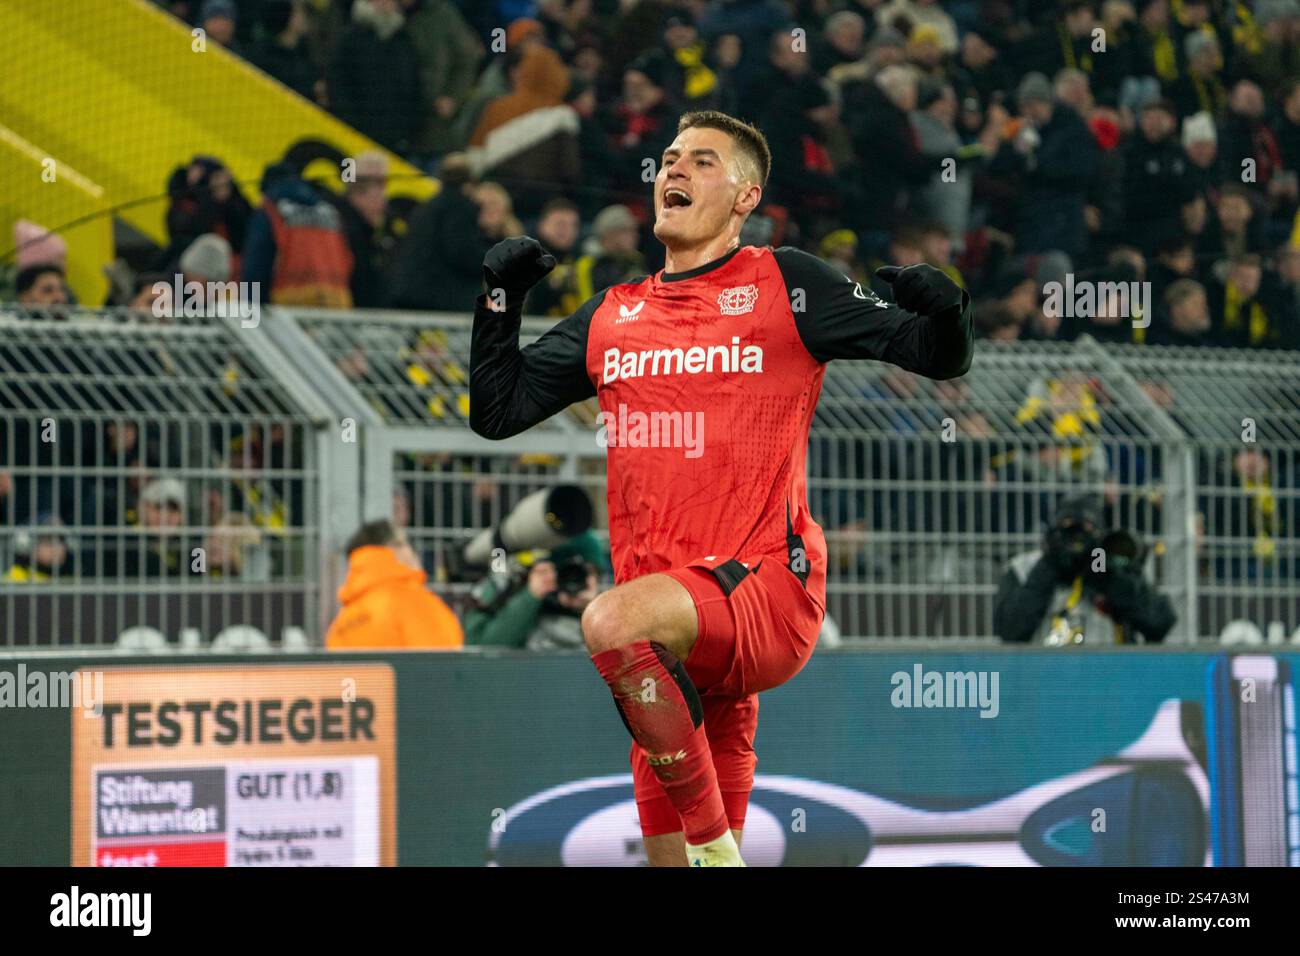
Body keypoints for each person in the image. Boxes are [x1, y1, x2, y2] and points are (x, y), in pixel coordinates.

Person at [468, 110, 973, 866]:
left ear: (745, 196)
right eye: (669, 158)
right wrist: (499, 300)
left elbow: (936, 356)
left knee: (608, 625)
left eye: (702, 161)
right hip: (665, 641)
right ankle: (711, 849)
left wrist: (947, 308)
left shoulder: (785, 282)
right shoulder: (614, 314)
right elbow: (496, 410)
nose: (674, 170)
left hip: (765, 589)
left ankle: (714, 849)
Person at [993, 494, 1176, 645]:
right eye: (1068, 527)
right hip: (1042, 677)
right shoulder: (1025, 567)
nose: (1077, 540)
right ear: (1053, 531)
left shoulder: (1110, 564)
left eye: (1086, 529)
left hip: (1110, 679)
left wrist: (1108, 576)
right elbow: (1009, 631)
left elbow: (1160, 622)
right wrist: (1049, 565)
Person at [325, 518, 463, 649]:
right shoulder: (414, 602)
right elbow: (442, 666)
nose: (412, 552)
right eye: (405, 543)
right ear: (393, 548)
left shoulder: (341, 623)